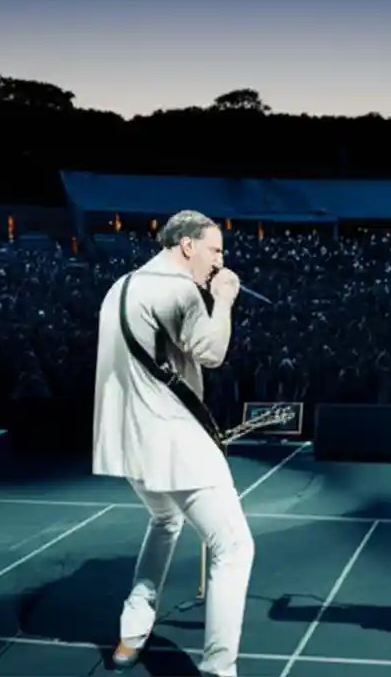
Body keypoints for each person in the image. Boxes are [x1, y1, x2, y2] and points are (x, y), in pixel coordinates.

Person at [92, 210, 254, 676]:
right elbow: (213, 353)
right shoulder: (180, 289)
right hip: (173, 442)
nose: (219, 262)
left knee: (164, 521)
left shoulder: (119, 287)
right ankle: (219, 670)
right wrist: (223, 299)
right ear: (187, 245)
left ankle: (133, 631)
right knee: (233, 547)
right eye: (215, 250)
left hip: (127, 444)